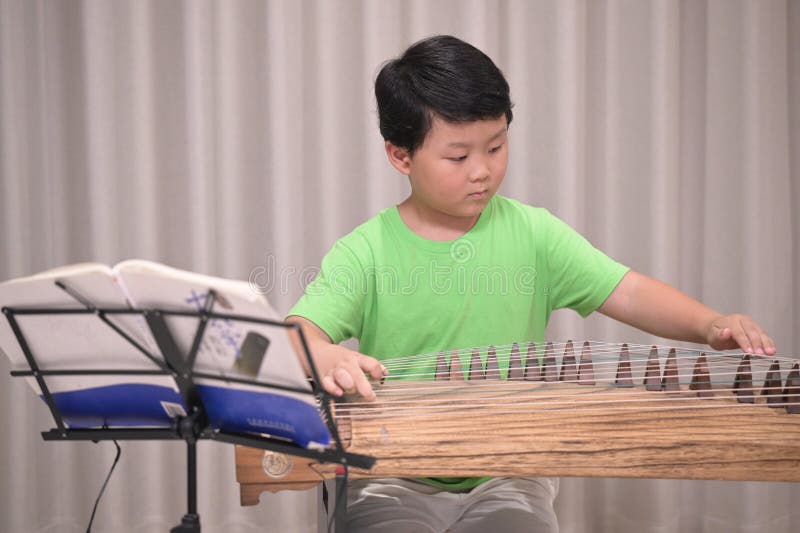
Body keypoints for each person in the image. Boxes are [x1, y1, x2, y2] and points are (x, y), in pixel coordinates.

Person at [286, 35, 775, 533]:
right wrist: (322, 353)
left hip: (507, 472)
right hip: (393, 472)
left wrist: (708, 323)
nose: (483, 170)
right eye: (458, 157)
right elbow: (296, 333)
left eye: (496, 146)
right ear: (401, 156)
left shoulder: (534, 233)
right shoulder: (366, 251)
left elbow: (626, 290)